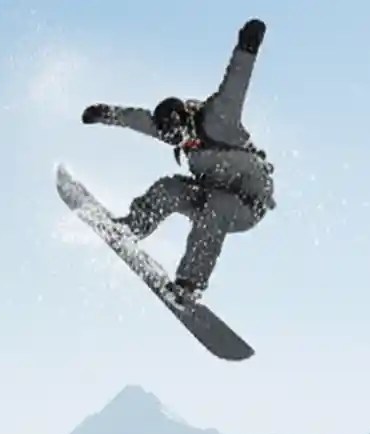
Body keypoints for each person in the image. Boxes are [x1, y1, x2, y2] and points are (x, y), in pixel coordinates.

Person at [80, 19, 276, 306]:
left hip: (247, 204)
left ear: (184, 119)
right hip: (211, 197)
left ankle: (189, 285)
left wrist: (247, 47)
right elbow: (137, 119)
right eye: (174, 141)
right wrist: (104, 113)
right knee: (171, 187)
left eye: (181, 136)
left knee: (216, 206)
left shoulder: (219, 117)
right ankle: (133, 227)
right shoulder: (173, 134)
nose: (185, 145)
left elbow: (235, 82)